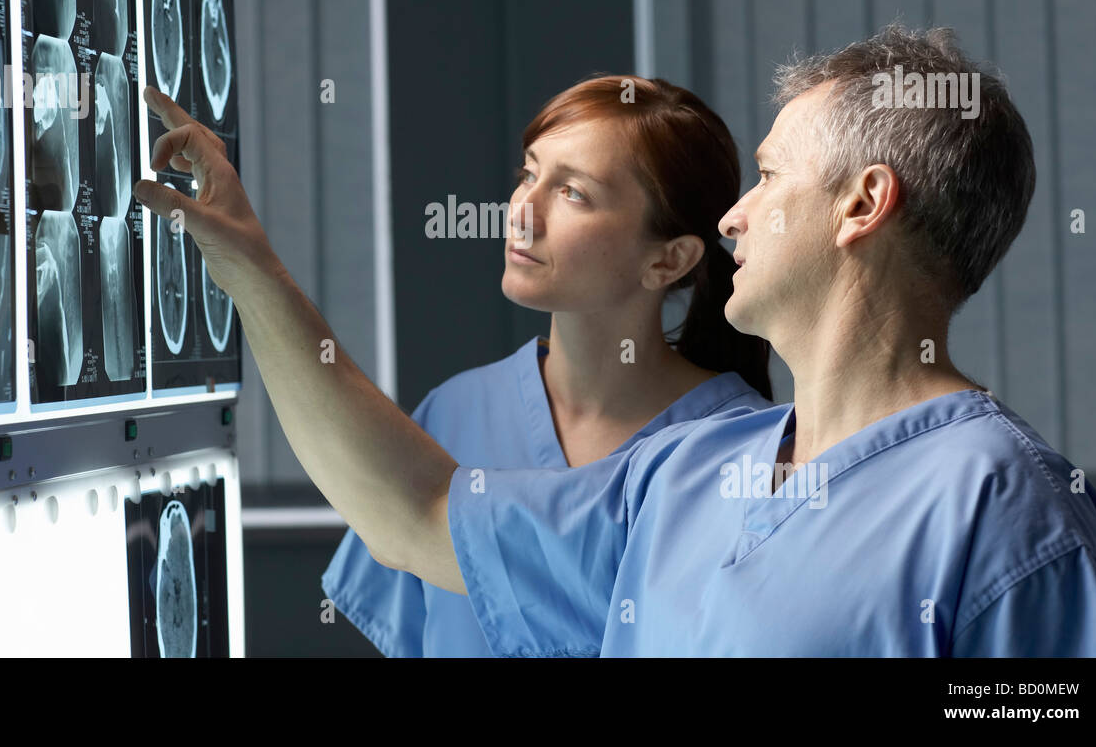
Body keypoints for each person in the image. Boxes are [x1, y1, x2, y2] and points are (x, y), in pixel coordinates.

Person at [135, 24, 1096, 656]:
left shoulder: (1007, 511)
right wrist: (250, 268)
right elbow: (420, 510)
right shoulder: (688, 473)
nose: (733, 216)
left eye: (772, 178)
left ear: (862, 205)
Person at [320, 75, 773, 656]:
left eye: (573, 193)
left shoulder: (740, 452)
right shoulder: (454, 412)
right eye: (529, 175)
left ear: (669, 259)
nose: (521, 213)